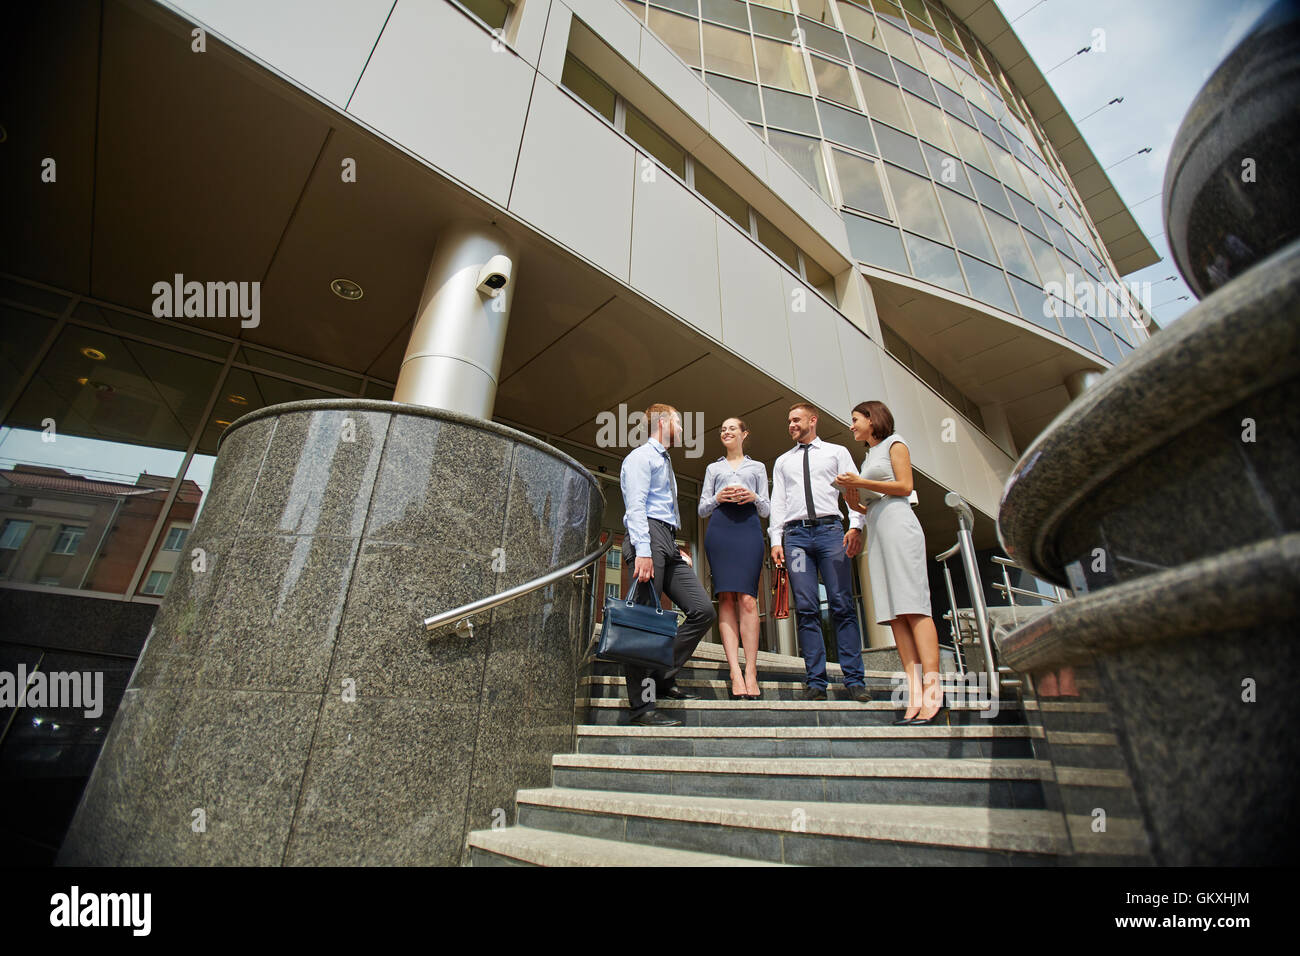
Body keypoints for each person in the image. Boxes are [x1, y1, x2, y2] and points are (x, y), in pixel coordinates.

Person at [835, 401, 942, 724]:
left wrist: (861, 483)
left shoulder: (896, 443)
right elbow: (872, 503)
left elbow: (905, 486)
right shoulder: (868, 456)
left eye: (855, 420)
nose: (851, 425)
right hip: (879, 530)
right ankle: (913, 692)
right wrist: (853, 498)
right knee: (895, 614)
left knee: (914, 606)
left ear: (872, 419)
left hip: (900, 525)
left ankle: (933, 689)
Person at [619, 403, 718, 727]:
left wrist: (674, 546)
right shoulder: (641, 458)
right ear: (664, 423)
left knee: (703, 610)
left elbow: (661, 509)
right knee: (643, 622)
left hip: (666, 540)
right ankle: (641, 707)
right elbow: (636, 507)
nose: (682, 429)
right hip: (647, 536)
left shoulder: (665, 460)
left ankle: (663, 674)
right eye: (679, 422)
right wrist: (645, 551)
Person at [769, 402, 872, 702]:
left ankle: (855, 680)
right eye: (789, 421)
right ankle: (815, 680)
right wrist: (776, 540)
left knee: (842, 604)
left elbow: (854, 492)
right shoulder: (782, 461)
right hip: (797, 538)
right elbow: (779, 501)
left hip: (830, 534)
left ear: (813, 420)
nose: (791, 425)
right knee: (807, 607)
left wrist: (856, 527)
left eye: (796, 420)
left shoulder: (837, 453)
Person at [699, 417, 770, 700]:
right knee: (726, 597)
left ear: (744, 434)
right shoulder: (713, 468)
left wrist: (752, 495)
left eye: (732, 428)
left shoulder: (758, 467)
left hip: (749, 529)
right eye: (723, 428)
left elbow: (767, 509)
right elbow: (703, 508)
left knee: (748, 599)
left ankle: (751, 670)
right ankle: (734, 671)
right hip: (721, 530)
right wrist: (719, 496)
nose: (726, 431)